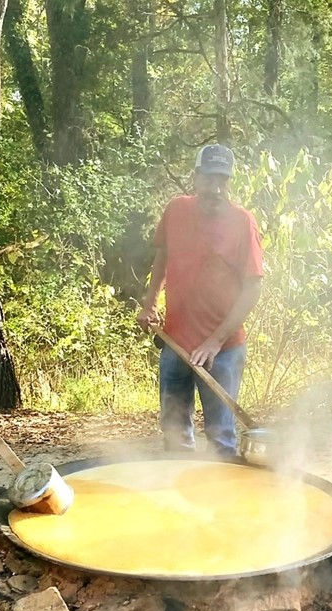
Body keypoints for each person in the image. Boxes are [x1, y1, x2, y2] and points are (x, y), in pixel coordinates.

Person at [136, 144, 264, 458]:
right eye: (209, 178)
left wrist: (215, 341)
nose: (215, 188)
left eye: (222, 180)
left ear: (230, 182)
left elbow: (253, 288)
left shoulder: (242, 222)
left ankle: (223, 505)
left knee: (221, 437)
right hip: (175, 344)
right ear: (196, 178)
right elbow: (162, 257)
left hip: (223, 351)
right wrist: (150, 305)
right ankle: (182, 501)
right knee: (175, 432)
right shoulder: (176, 210)